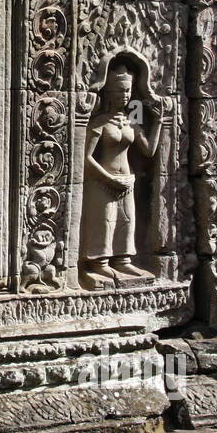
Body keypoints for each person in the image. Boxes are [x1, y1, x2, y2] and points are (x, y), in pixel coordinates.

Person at [81, 58, 160, 288]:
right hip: (103, 182)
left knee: (127, 222)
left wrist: (158, 121)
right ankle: (100, 263)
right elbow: (86, 158)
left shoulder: (131, 118)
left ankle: (123, 260)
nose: (125, 96)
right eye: (119, 91)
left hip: (127, 182)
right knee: (105, 223)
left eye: (128, 91)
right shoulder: (99, 121)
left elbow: (148, 151)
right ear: (108, 92)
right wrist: (108, 179)